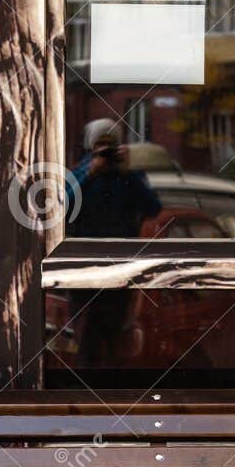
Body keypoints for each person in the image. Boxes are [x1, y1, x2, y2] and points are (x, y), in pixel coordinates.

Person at [66, 119, 162, 364]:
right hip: (85, 265)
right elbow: (61, 208)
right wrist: (90, 175)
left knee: (115, 334)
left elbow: (153, 208)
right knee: (86, 334)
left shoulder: (129, 175)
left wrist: (129, 174)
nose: (106, 150)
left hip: (119, 263)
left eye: (110, 145)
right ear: (90, 146)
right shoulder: (79, 172)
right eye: (100, 144)